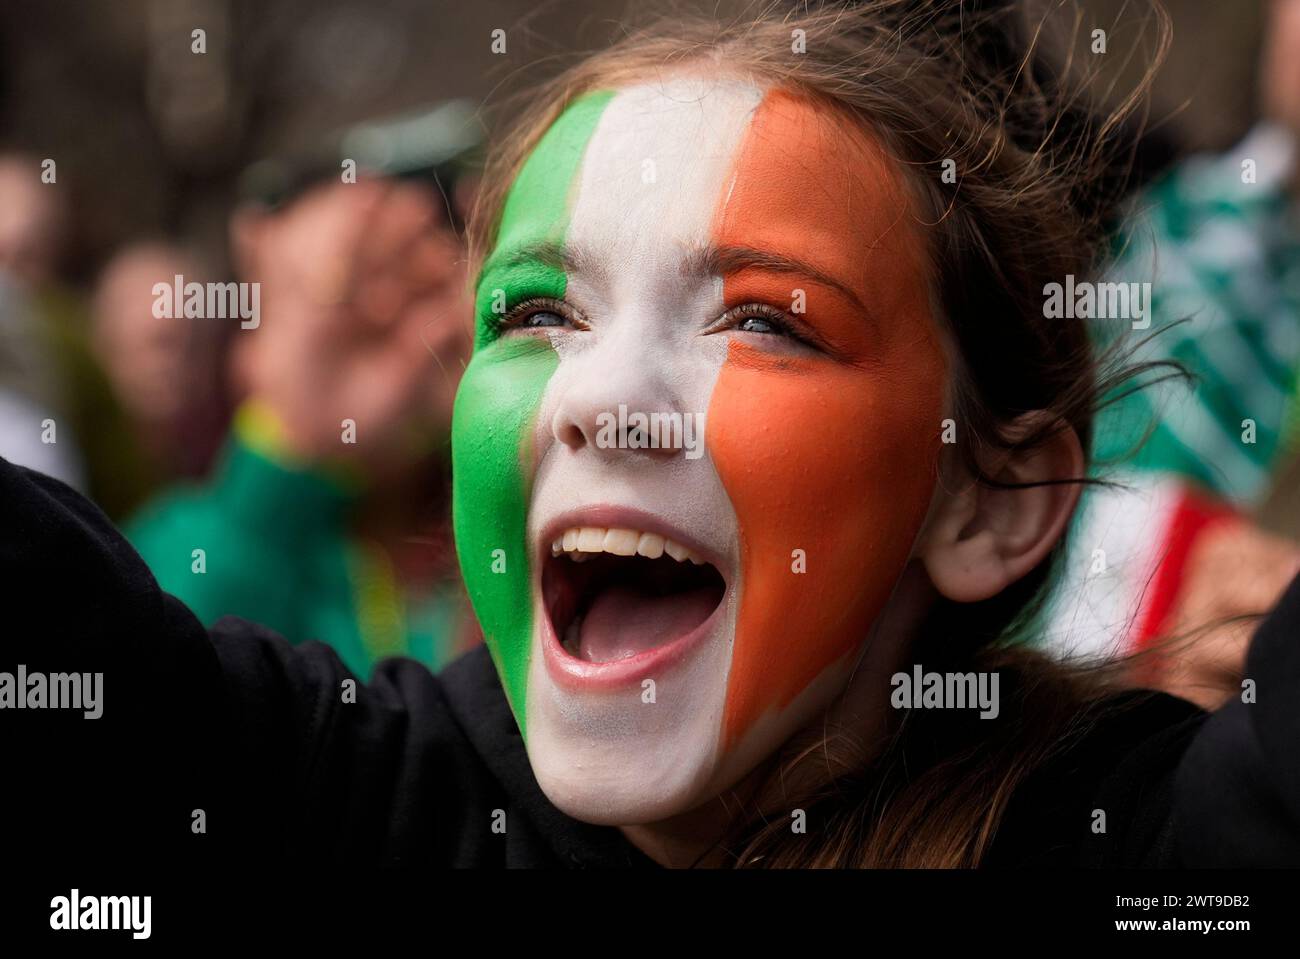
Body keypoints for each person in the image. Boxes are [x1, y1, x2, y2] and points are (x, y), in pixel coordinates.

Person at [3, 0, 1296, 869]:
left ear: (991, 499)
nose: (593, 398)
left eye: (764, 321)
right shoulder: (368, 805)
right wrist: (283, 454)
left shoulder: (1150, 848)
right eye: (537, 311)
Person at [124, 179, 475, 675]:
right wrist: (292, 443)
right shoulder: (186, 542)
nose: (392, 338)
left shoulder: (509, 535)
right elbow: (152, 688)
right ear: (244, 356)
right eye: (335, 309)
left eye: (416, 291)